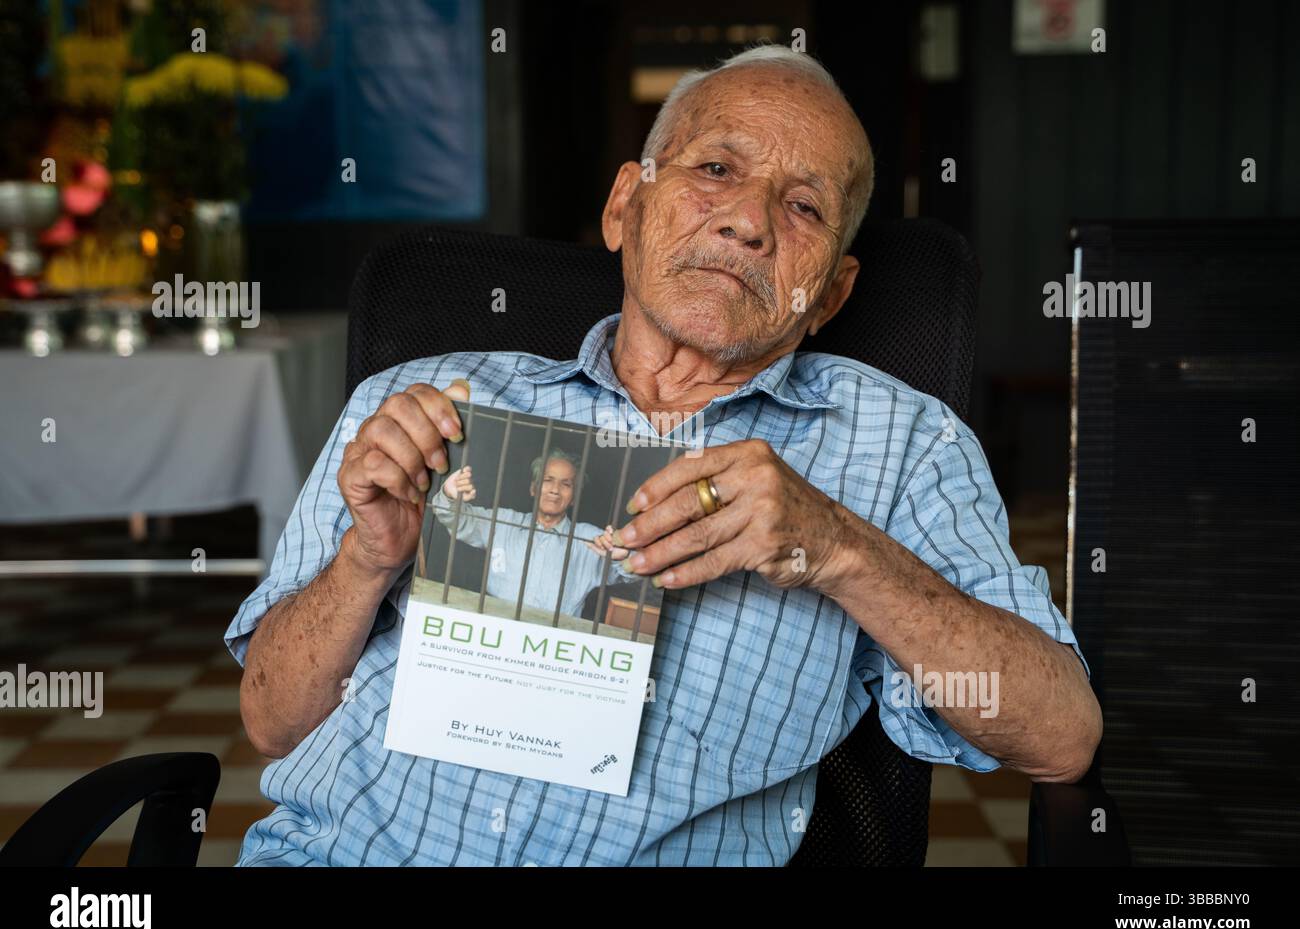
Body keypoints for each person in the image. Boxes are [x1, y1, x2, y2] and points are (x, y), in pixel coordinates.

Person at [226, 44, 1101, 866]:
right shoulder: (428, 400)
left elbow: (1063, 737)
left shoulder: (901, 442)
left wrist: (838, 545)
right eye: (716, 169)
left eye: (803, 206)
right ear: (624, 207)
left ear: (832, 291)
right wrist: (367, 560)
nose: (749, 222)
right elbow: (271, 719)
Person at [429, 450, 637, 619]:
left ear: (573, 497)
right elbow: (461, 521)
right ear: (533, 488)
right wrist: (449, 497)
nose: (555, 490)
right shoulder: (505, 522)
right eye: (548, 480)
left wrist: (626, 557)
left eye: (566, 484)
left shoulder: (589, 538)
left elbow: (634, 571)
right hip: (494, 629)